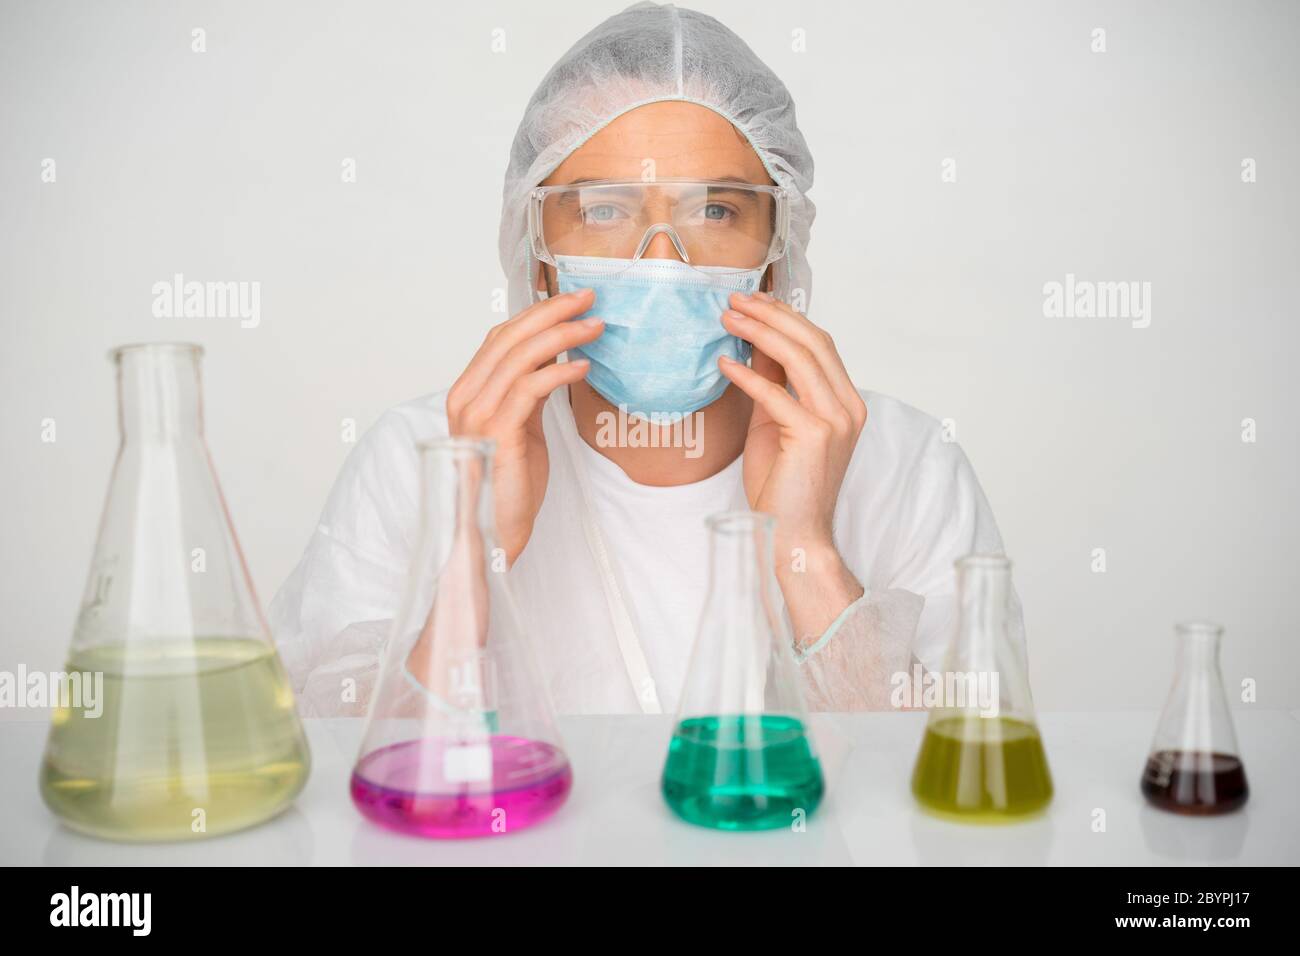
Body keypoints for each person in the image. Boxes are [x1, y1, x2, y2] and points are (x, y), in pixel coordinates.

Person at [270, 2, 1027, 716]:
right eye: (602, 210)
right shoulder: (420, 460)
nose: (661, 260)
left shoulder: (907, 464)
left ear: (776, 252)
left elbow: (966, 794)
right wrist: (476, 552)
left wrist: (807, 554)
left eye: (716, 210)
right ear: (536, 253)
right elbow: (343, 776)